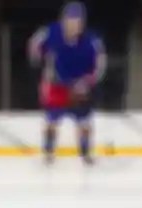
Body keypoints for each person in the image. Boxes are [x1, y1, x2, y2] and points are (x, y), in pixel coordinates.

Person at [29, 2, 107, 165]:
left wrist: (88, 82)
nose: (73, 25)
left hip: (80, 84)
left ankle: (85, 153)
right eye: (70, 21)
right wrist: (40, 65)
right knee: (51, 120)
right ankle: (48, 152)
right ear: (63, 20)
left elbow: (100, 64)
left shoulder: (92, 41)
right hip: (56, 83)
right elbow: (35, 45)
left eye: (77, 22)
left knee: (84, 121)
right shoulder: (51, 32)